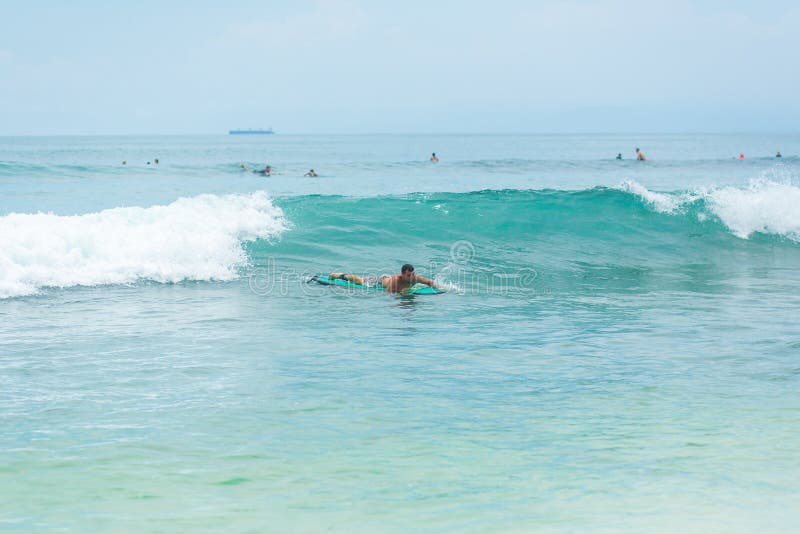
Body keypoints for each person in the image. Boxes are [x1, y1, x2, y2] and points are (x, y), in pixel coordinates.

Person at [329, 264, 436, 293]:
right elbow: (388, 293)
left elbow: (429, 282)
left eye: (412, 274)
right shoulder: (396, 280)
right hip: (379, 282)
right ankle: (339, 275)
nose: (411, 277)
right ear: (402, 274)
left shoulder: (414, 278)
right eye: (408, 275)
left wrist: (437, 287)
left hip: (387, 279)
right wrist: (401, 293)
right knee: (359, 280)